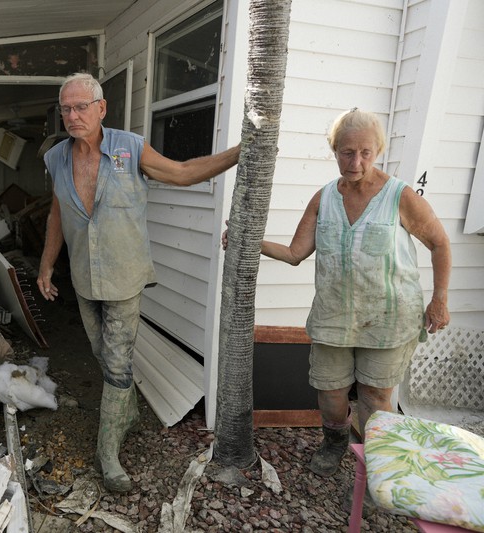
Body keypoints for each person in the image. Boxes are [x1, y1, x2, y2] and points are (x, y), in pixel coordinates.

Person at [37, 72, 240, 492]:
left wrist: (239, 152)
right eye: (66, 108)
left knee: (116, 360)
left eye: (81, 107)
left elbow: (183, 173)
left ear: (101, 108)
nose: (73, 116)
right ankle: (126, 412)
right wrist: (45, 267)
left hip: (126, 275)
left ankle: (107, 452)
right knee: (102, 352)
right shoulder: (56, 157)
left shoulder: (128, 147)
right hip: (84, 276)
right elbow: (58, 214)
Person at [223, 108, 451, 478]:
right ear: (335, 151)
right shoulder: (324, 197)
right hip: (334, 316)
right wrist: (250, 241)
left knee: (375, 397)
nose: (356, 161)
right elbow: (296, 253)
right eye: (347, 152)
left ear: (377, 149)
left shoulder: (399, 196)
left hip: (389, 318)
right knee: (330, 394)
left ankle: (381, 464)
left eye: (365, 152)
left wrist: (439, 298)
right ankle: (335, 442)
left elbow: (440, 243)